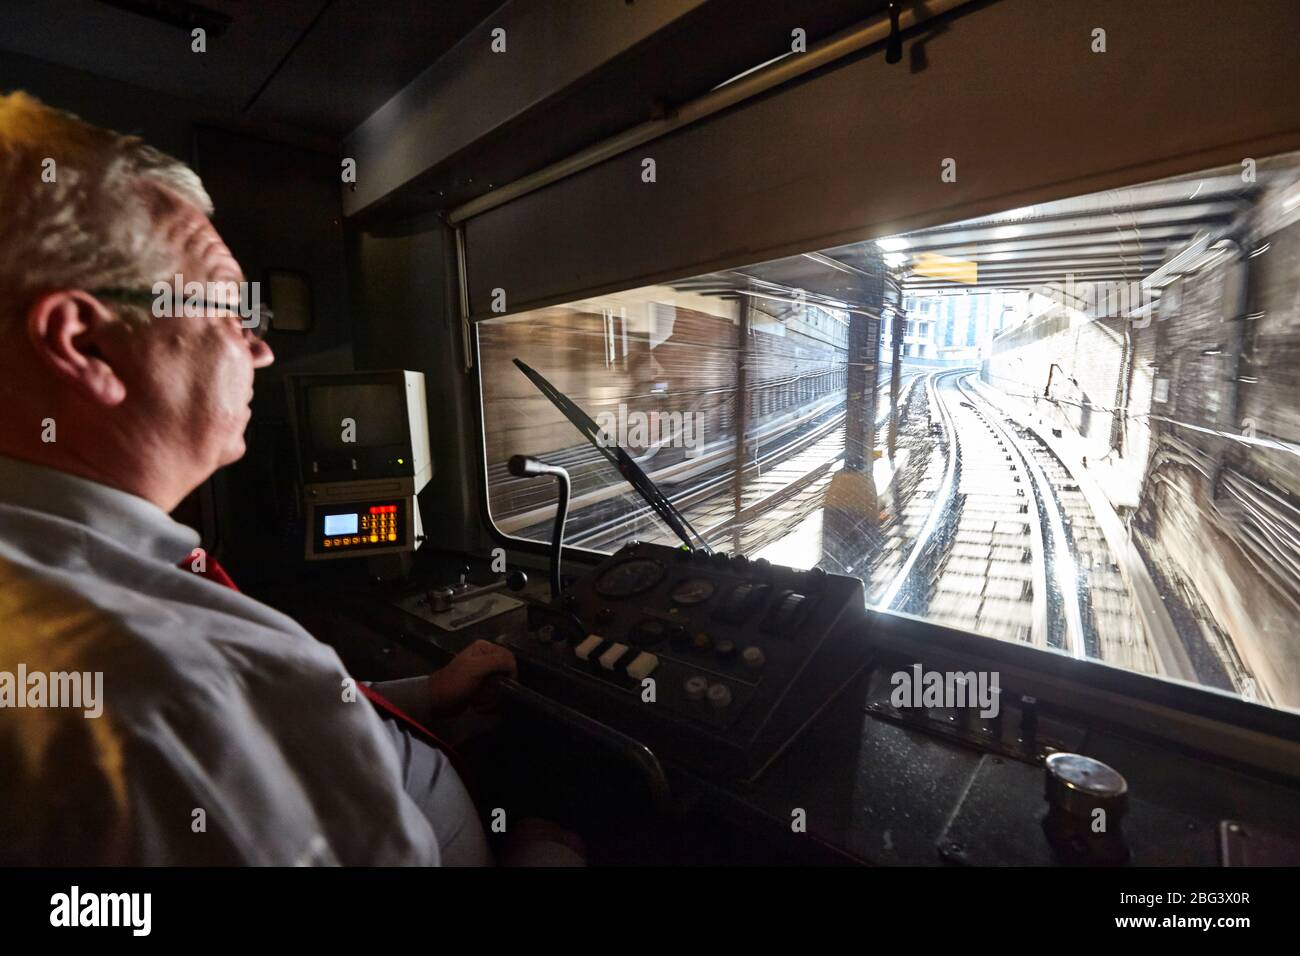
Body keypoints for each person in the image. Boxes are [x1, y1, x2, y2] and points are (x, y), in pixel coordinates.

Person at [0, 91, 558, 865]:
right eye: (230, 311)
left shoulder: (85, 578)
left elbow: (284, 721)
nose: (259, 351)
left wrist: (428, 695)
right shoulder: (165, 690)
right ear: (82, 343)